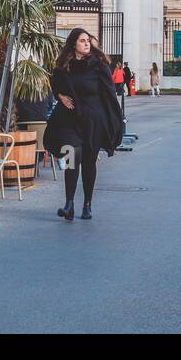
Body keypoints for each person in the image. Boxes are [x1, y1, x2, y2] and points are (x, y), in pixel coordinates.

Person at [46, 28, 124, 222]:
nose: (87, 43)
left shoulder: (99, 66)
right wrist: (60, 95)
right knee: (72, 154)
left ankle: (87, 204)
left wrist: (113, 121)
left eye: (88, 40)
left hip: (92, 121)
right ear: (73, 44)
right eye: (82, 41)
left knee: (88, 162)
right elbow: (54, 83)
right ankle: (69, 203)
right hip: (68, 119)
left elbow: (109, 95)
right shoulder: (64, 66)